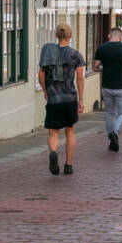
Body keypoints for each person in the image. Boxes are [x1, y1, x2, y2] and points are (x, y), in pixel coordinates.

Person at [38, 21, 85, 175]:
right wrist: (81, 99)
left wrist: (45, 91)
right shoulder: (75, 55)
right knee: (70, 131)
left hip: (54, 98)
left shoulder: (48, 52)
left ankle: (53, 152)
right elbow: (79, 78)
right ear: (70, 36)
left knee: (53, 132)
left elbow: (41, 75)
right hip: (70, 98)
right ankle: (68, 165)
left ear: (57, 35)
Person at [93, 26, 122, 153]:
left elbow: (95, 67)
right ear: (121, 36)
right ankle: (115, 132)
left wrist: (104, 68)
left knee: (109, 113)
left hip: (107, 85)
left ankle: (111, 140)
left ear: (109, 36)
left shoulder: (101, 48)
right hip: (121, 86)